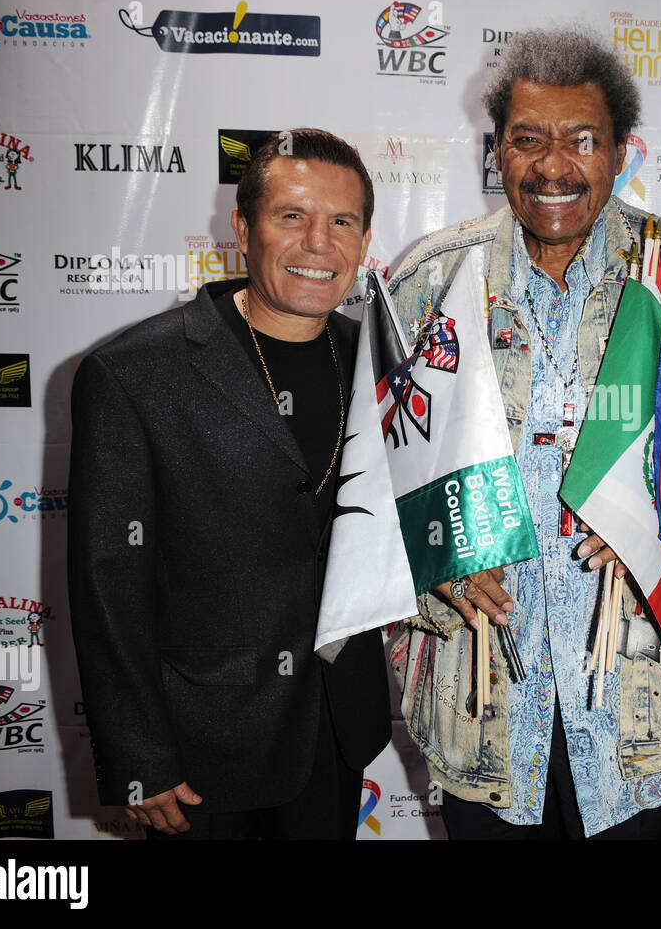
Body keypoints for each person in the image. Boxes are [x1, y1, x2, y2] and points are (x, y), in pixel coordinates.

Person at [386, 27, 661, 839]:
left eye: (582, 140)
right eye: (527, 139)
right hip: (485, 719)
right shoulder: (430, 284)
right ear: (497, 150)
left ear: (621, 154)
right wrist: (432, 562)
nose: (553, 165)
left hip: (642, 727)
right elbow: (374, 483)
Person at [68, 128, 391, 839]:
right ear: (243, 228)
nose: (318, 243)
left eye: (341, 222)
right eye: (291, 217)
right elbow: (107, 581)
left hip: (336, 727)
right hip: (200, 751)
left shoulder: (377, 362)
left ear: (365, 241)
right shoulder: (134, 374)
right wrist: (137, 752)